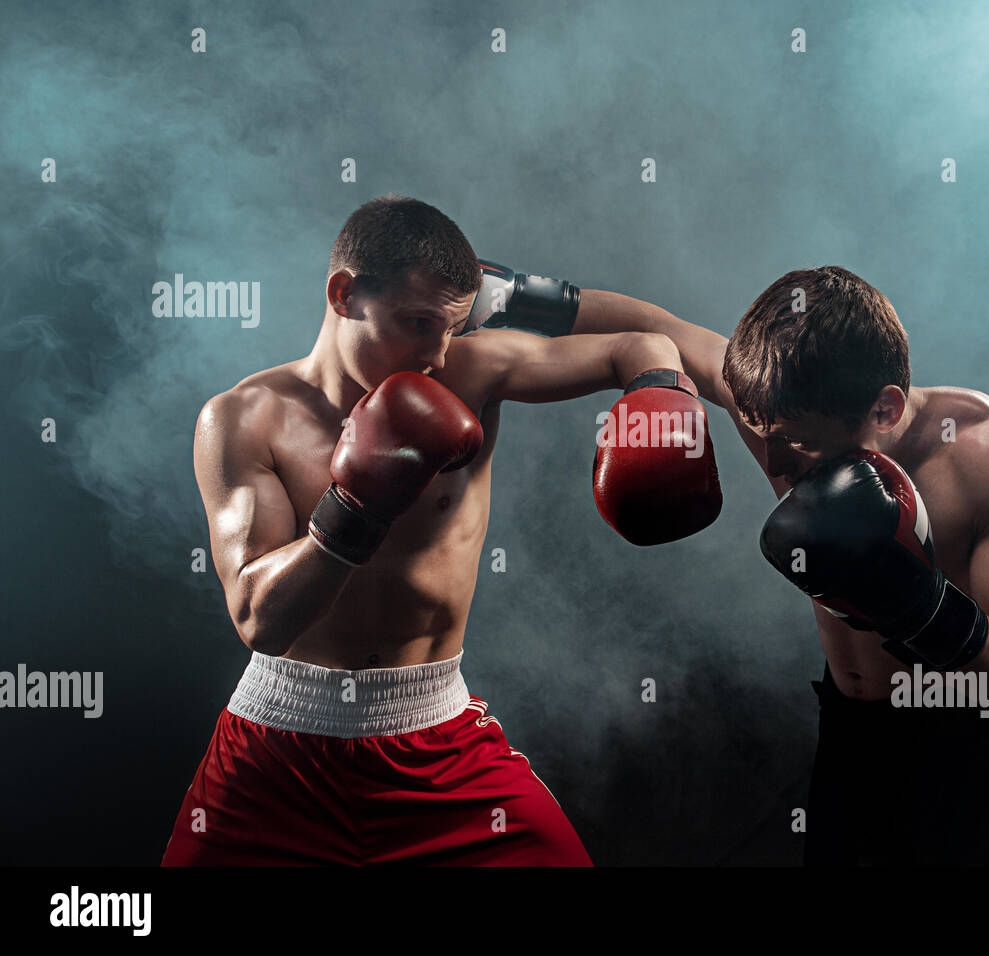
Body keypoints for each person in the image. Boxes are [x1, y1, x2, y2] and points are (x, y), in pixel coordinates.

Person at [161, 195, 721, 866]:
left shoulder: (472, 372)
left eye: (452, 327)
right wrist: (356, 505)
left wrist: (658, 393)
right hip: (278, 759)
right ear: (344, 295)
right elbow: (260, 620)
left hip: (440, 751)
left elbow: (641, 343)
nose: (435, 353)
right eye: (417, 323)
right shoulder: (242, 418)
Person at [567, 265, 989, 865]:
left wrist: (914, 602)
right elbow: (657, 325)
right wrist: (504, 296)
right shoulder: (779, 406)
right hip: (847, 723)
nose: (774, 465)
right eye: (760, 432)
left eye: (797, 443)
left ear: (885, 410)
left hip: (957, 737)